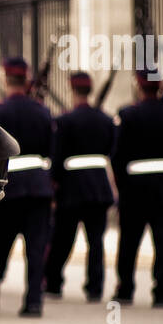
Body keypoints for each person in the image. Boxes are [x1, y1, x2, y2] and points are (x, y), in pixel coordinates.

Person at [0, 58, 54, 316]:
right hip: (38, 188)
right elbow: (50, 151)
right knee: (35, 248)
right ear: (26, 78)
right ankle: (33, 301)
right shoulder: (43, 112)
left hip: (6, 189)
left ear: (5, 78)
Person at [110, 67, 163, 307]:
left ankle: (125, 288)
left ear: (138, 84)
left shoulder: (127, 114)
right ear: (161, 84)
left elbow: (117, 156)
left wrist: (122, 187)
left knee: (129, 242)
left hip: (135, 188)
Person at [44, 71, 116, 302]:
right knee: (96, 241)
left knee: (63, 238)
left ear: (71, 89)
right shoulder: (106, 120)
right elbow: (110, 151)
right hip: (98, 188)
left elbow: (56, 157)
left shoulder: (64, 121)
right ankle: (95, 287)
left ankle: (54, 282)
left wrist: (53, 185)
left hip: (72, 189)